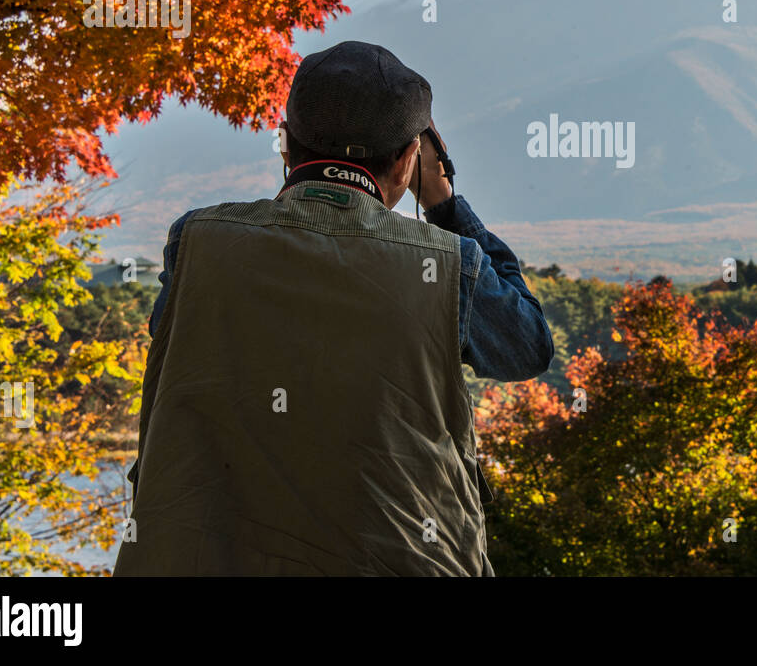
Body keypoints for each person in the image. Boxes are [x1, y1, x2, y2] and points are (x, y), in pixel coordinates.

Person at [113, 41, 554, 576]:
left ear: (285, 147)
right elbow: (526, 347)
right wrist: (442, 203)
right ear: (408, 160)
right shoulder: (443, 265)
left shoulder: (196, 244)